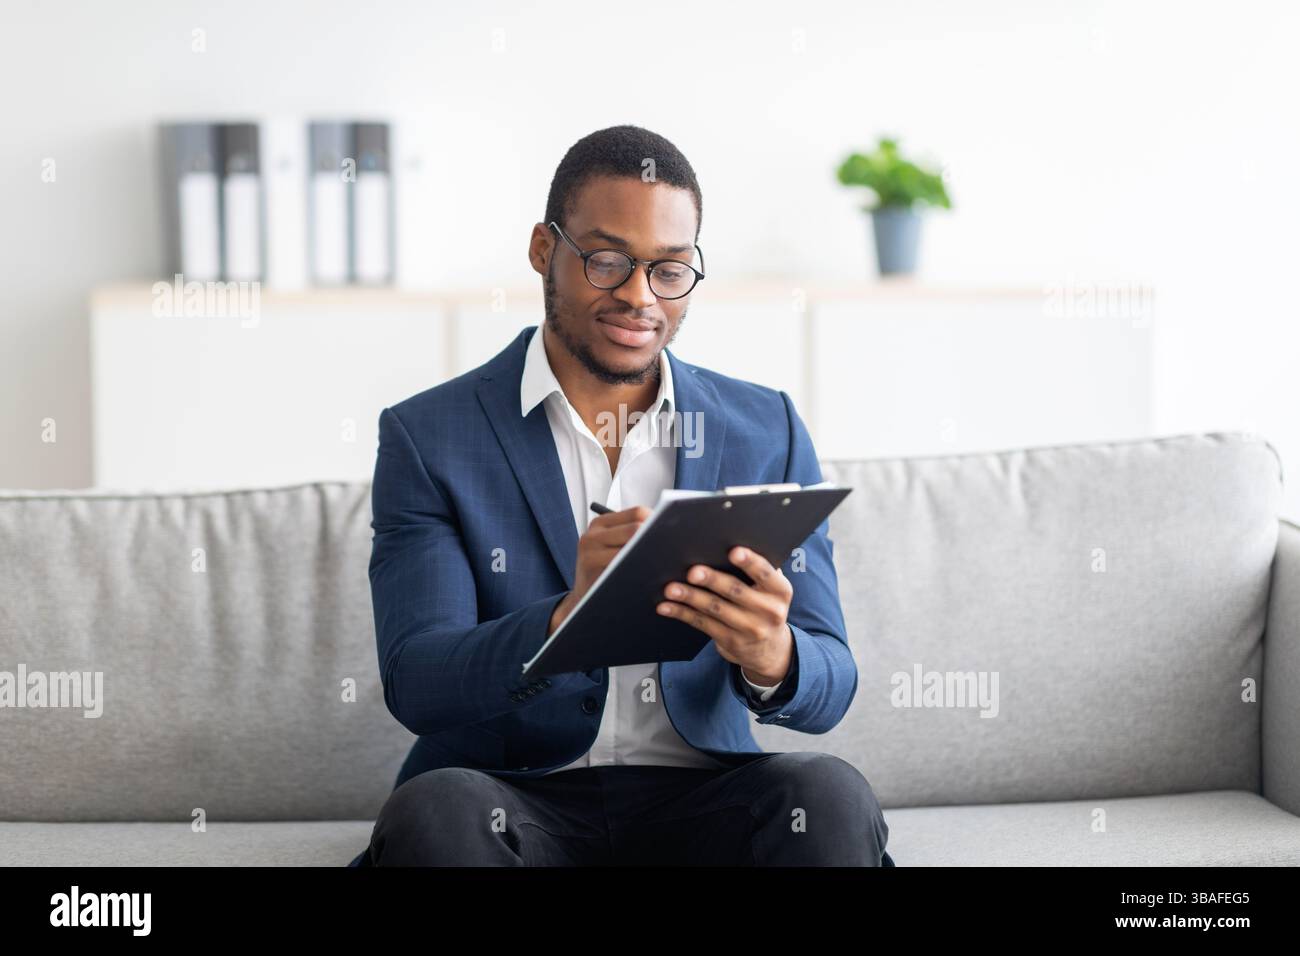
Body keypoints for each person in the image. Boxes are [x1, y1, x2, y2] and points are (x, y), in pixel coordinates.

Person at [350, 125, 892, 866]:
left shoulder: (765, 428)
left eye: (669, 270)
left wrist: (773, 654)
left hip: (708, 800)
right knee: (437, 811)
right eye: (607, 261)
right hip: (514, 802)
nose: (639, 297)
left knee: (829, 796)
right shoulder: (430, 437)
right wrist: (567, 620)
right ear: (545, 249)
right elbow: (419, 682)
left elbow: (832, 682)